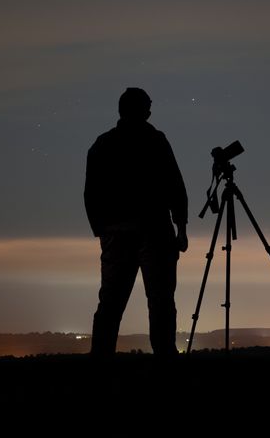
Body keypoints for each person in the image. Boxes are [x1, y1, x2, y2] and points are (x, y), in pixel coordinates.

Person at [84, 87, 189, 356]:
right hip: (154, 232)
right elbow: (175, 185)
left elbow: (91, 193)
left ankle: (101, 358)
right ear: (143, 111)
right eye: (147, 107)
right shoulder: (155, 140)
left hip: (118, 234)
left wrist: (102, 230)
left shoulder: (102, 144)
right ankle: (164, 356)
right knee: (160, 300)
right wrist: (181, 227)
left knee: (111, 302)